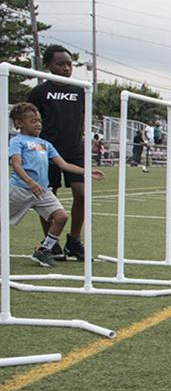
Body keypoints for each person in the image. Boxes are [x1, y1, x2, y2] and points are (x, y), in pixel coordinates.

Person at [8, 102, 104, 266]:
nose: (38, 124)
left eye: (39, 121)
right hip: (20, 189)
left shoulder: (45, 144)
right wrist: (30, 182)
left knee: (61, 217)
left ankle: (44, 250)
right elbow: (16, 164)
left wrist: (87, 171)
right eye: (33, 121)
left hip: (42, 191)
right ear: (19, 123)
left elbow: (64, 165)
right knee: (3, 221)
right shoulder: (17, 141)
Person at [26, 45, 88, 261]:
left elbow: (82, 117)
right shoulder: (39, 92)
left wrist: (80, 137)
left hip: (74, 150)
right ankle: (51, 243)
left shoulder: (80, 90)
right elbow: (29, 120)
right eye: (60, 64)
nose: (66, 68)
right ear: (48, 66)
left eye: (69, 64)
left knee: (82, 194)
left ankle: (74, 241)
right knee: (47, 196)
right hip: (46, 151)